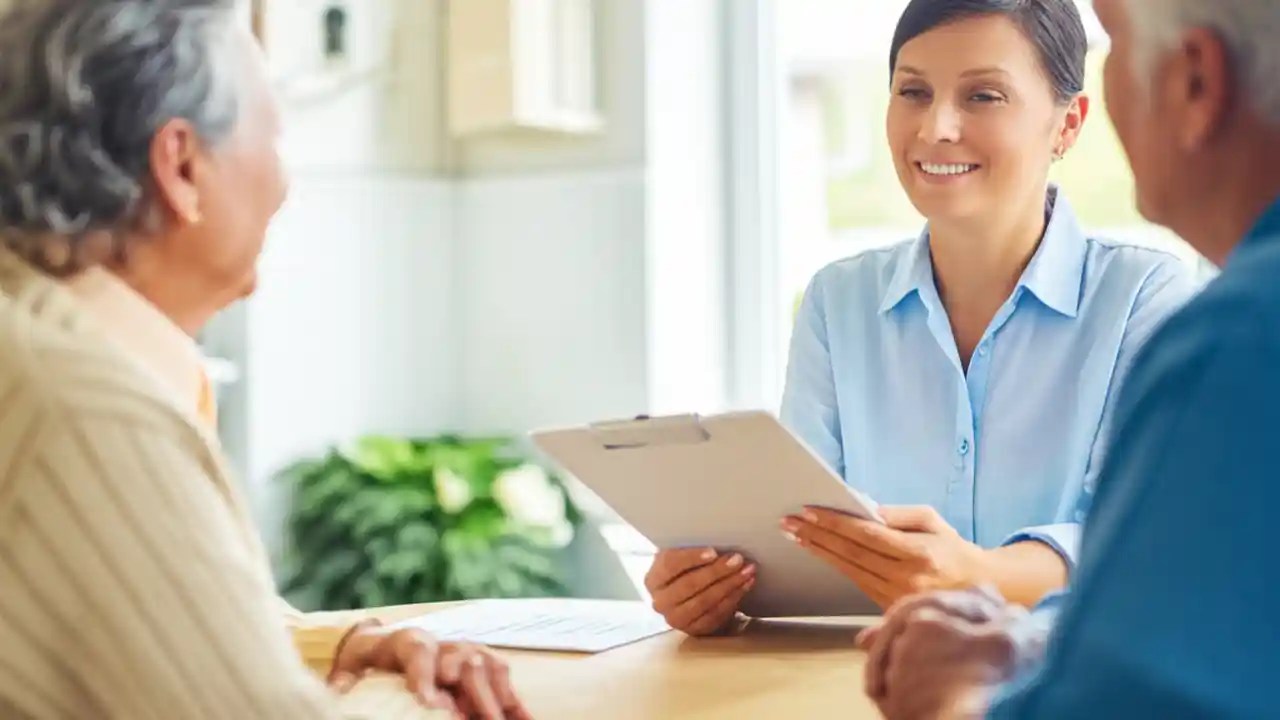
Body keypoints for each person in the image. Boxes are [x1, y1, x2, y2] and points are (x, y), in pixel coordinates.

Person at [0, 1, 530, 718]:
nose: (285, 184)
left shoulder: (51, 343)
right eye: (274, 135)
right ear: (181, 165)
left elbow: (150, 615)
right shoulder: (89, 407)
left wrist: (351, 643)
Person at [645, 0, 1200, 635]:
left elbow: (1144, 540)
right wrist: (717, 586)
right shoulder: (837, 300)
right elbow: (800, 532)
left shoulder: (1145, 295)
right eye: (913, 91)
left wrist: (975, 573)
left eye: (984, 96)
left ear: (1067, 124)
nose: (936, 127)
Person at [860, 0, 1280, 717]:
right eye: (914, 91)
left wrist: (957, 700)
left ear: (1196, 84)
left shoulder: (1237, 339)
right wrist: (1041, 649)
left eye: (1113, 42)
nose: (938, 127)